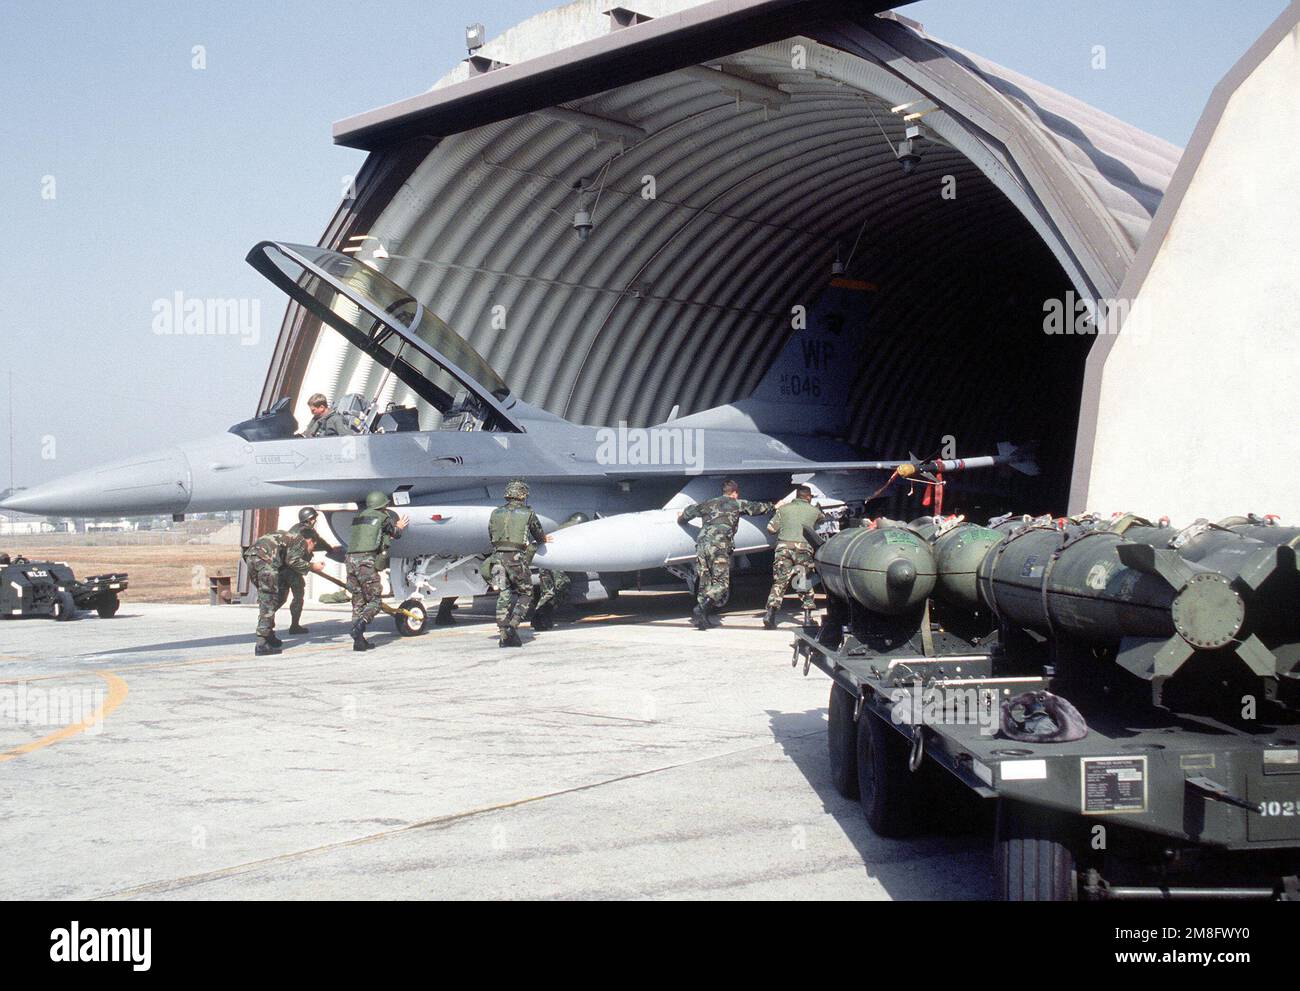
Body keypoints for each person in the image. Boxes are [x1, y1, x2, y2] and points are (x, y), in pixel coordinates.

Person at [677, 480, 774, 630]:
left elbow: (689, 512)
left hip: (702, 545)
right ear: (735, 493)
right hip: (720, 546)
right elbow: (757, 508)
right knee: (721, 584)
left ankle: (702, 619)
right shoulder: (736, 503)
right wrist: (775, 506)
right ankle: (702, 606)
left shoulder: (709, 503)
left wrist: (681, 518)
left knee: (704, 582)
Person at [243, 529, 324, 655]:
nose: (311, 550)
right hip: (266, 561)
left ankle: (269, 635)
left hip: (251, 557)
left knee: (267, 600)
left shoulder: (286, 536)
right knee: (269, 602)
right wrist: (313, 566)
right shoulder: (300, 540)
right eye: (313, 546)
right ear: (310, 541)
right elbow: (293, 561)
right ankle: (261, 644)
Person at [488, 479, 548, 648]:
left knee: (503, 592)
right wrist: (542, 540)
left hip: (497, 558)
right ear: (522, 495)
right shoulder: (527, 513)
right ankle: (512, 627)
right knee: (526, 592)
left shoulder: (495, 513)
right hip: (515, 558)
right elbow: (538, 534)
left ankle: (502, 632)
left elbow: (490, 533)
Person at [346, 491, 408, 651]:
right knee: (375, 601)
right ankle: (360, 625)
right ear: (382, 505)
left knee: (358, 601)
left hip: (350, 560)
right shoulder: (383, 517)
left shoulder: (359, 518)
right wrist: (399, 526)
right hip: (366, 561)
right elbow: (395, 533)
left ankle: (359, 641)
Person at [764, 485, 826, 628]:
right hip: (803, 549)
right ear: (808, 497)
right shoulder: (814, 510)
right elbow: (821, 520)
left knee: (780, 581)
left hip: (783, 548)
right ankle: (807, 617)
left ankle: (770, 614)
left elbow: (771, 529)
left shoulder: (783, 509)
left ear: (796, 496)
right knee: (803, 580)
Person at [276, 507, 339, 634]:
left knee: (282, 597)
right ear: (309, 519)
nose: (315, 520)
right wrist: (330, 550)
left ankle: (269, 622)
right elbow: (318, 541)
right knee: (297, 596)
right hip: (293, 568)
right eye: (314, 518)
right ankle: (292, 626)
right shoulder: (307, 531)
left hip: (285, 567)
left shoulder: (294, 529)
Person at [531, 512, 589, 630]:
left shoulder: (560, 531)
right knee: (557, 590)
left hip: (547, 565)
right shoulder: (570, 533)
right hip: (553, 566)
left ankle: (539, 618)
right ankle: (541, 618)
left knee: (549, 593)